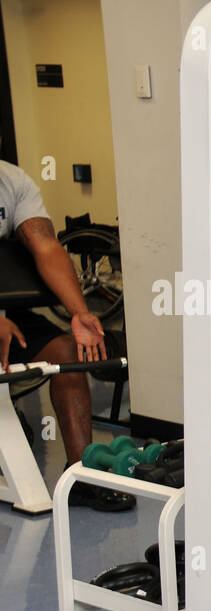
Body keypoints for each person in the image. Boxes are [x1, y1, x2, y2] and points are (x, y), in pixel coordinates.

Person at [0, 158, 133, 510]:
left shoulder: (12, 180)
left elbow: (45, 246)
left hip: (7, 312)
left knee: (66, 352)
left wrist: (80, 312)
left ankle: (81, 475)